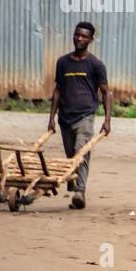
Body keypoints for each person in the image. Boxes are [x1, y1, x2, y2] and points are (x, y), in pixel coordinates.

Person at [46, 21, 111, 210]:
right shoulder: (63, 62)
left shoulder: (95, 64)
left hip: (85, 116)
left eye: (84, 36)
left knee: (81, 152)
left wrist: (107, 120)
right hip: (65, 117)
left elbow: (106, 92)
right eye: (77, 35)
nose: (79, 38)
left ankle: (80, 192)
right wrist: (51, 118)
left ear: (91, 40)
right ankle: (73, 181)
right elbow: (58, 91)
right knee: (71, 155)